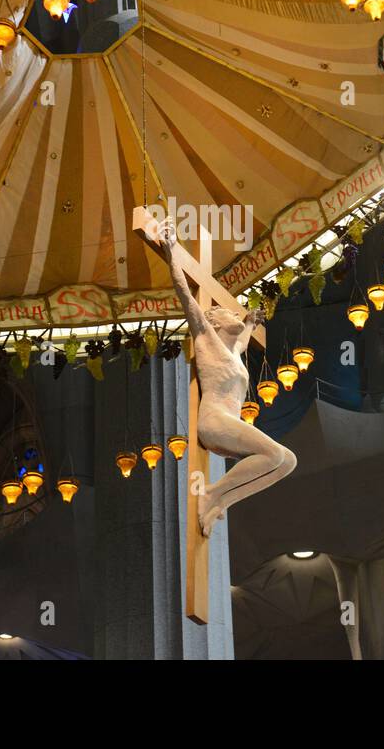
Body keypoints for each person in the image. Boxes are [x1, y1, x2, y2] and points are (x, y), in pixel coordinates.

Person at [158, 218, 296, 536]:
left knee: (288, 461)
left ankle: (222, 501)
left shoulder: (233, 354)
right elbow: (185, 294)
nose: (232, 312)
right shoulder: (205, 337)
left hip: (230, 425)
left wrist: (248, 322)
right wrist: (171, 250)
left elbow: (244, 338)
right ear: (212, 319)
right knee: (274, 454)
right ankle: (214, 492)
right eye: (227, 311)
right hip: (215, 421)